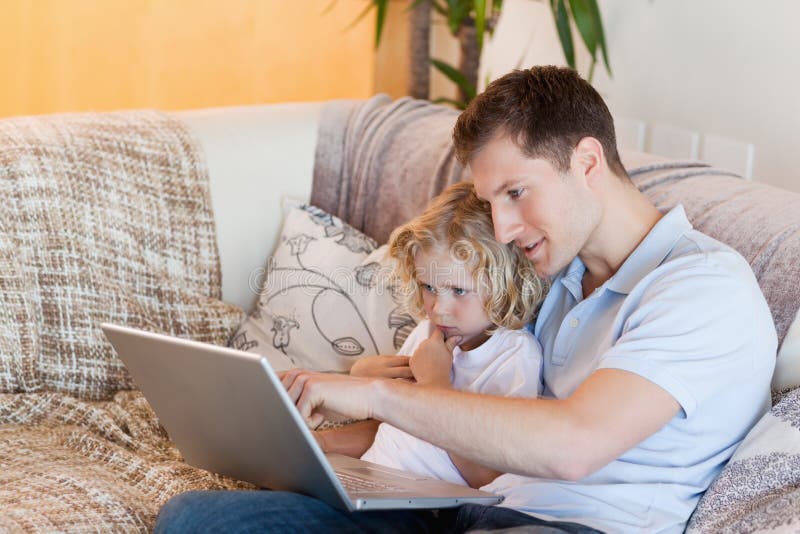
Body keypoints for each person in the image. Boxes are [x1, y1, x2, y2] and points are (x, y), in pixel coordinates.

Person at [154, 66, 777, 533]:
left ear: (587, 161)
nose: (504, 228)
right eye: (492, 202)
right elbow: (467, 380)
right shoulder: (550, 278)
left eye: (516, 192)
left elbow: (573, 446)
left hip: (570, 528)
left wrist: (379, 395)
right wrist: (353, 384)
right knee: (195, 519)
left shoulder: (701, 288)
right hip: (456, 508)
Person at [350, 181, 545, 489]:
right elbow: (389, 427)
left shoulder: (514, 356)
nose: (439, 309)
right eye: (429, 287)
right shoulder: (428, 333)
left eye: (458, 290)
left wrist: (435, 385)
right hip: (371, 480)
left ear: (506, 283)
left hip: (420, 506)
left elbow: (487, 477)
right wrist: (362, 379)